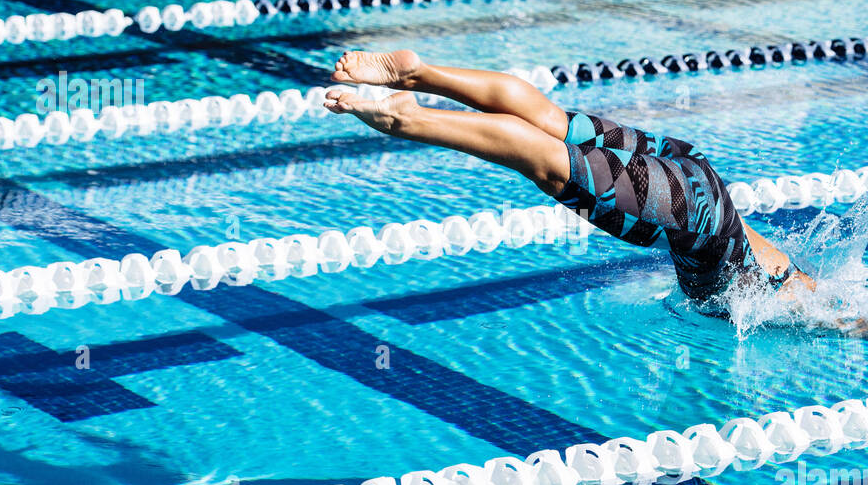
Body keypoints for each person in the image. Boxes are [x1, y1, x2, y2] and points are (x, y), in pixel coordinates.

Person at [322, 49, 818, 315]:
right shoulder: (775, 293)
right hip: (692, 212)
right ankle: (409, 117)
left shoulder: (781, 267)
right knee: (548, 164)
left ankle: (419, 73)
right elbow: (848, 317)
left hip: (693, 167)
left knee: (550, 119)